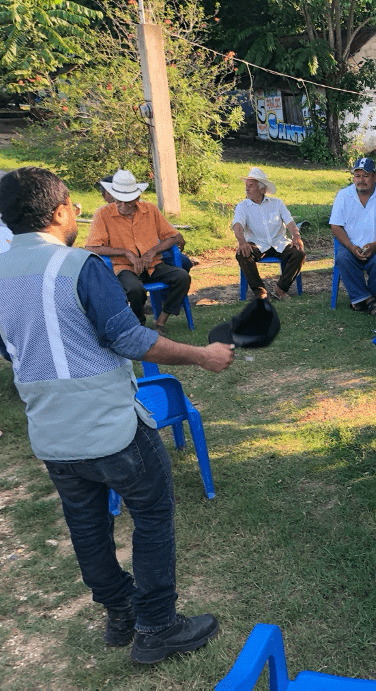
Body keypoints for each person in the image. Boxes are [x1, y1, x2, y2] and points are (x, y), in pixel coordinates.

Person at [0, 167, 235, 665]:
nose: (78, 211)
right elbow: (129, 338)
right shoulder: (77, 267)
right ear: (59, 210)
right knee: (151, 516)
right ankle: (156, 625)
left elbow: (9, 349)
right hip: (110, 426)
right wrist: (202, 356)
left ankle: (119, 612)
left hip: (49, 430)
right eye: (71, 204)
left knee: (86, 527)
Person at [85, 169, 191, 335]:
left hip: (153, 264)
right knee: (135, 289)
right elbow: (91, 247)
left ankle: (161, 322)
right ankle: (138, 326)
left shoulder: (150, 209)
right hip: (123, 267)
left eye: (127, 202)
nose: (121, 206)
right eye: (118, 201)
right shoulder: (102, 214)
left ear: (137, 198)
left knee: (182, 277)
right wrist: (126, 253)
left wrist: (152, 252)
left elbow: (172, 236)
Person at [329, 157, 376, 312]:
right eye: (357, 176)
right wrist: (351, 247)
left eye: (366, 176)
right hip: (352, 246)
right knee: (342, 258)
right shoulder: (343, 195)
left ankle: (360, 298)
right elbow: (335, 226)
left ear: (374, 176)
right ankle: (369, 300)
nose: (361, 180)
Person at [232, 167, 305, 300]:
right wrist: (242, 242)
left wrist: (296, 236)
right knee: (242, 254)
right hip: (257, 244)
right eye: (246, 186)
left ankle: (281, 289)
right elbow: (237, 225)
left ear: (262, 189)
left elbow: (290, 222)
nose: (247, 189)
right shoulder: (243, 206)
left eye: (251, 186)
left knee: (298, 253)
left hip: (279, 243)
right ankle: (260, 292)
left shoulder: (277, 203)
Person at [98, 174, 197, 273]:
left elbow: (167, 232)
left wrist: (174, 235)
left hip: (154, 254)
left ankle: (166, 286)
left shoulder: (141, 208)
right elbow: (97, 247)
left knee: (184, 263)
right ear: (104, 196)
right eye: (112, 192)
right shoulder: (104, 216)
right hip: (124, 262)